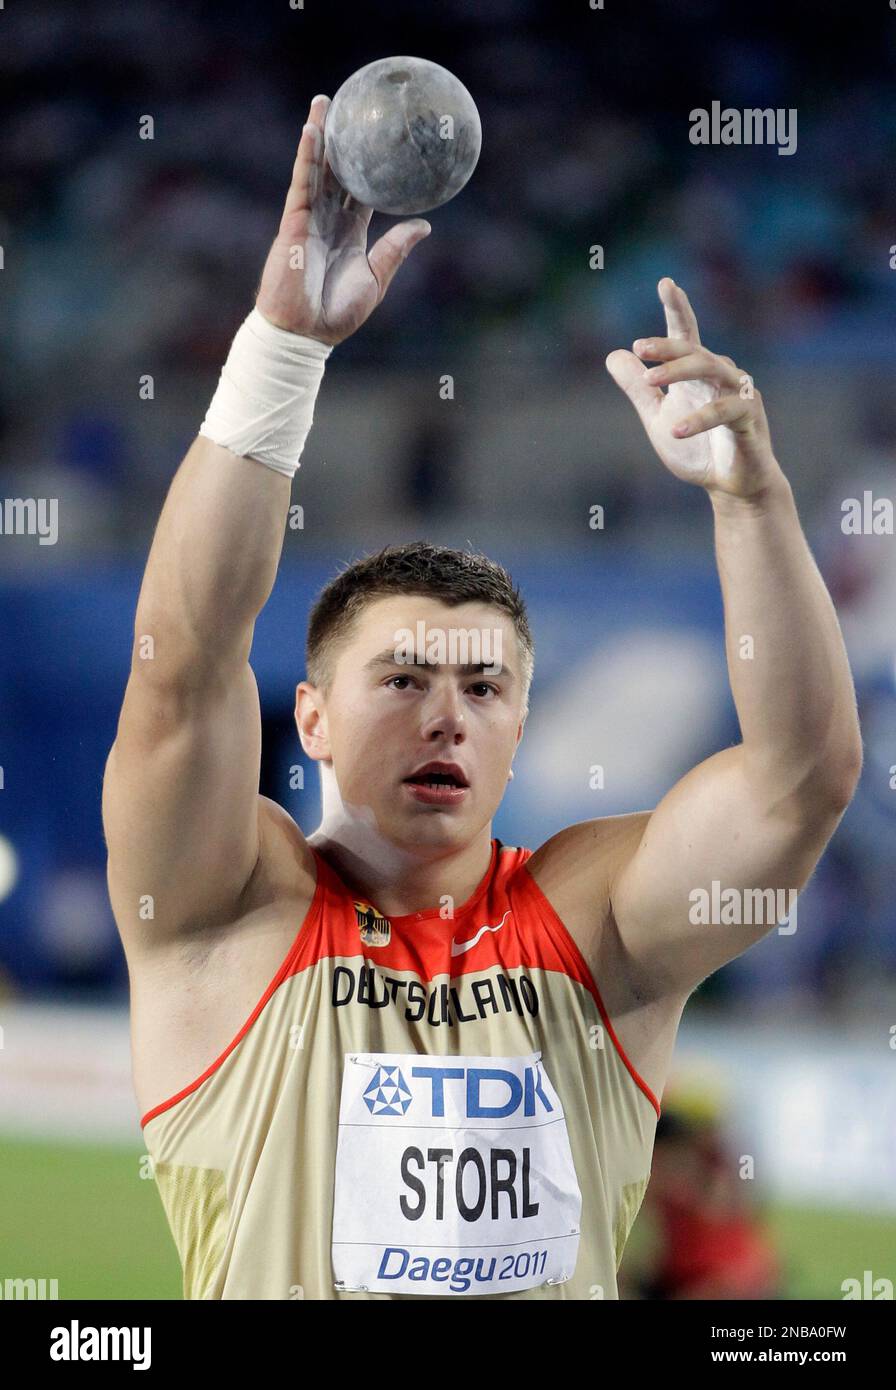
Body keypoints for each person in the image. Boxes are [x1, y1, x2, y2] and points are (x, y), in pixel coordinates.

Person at [101, 94, 863, 1300]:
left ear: (519, 723)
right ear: (308, 720)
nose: (444, 713)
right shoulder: (225, 902)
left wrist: (751, 502)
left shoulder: (598, 918)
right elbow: (183, 663)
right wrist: (280, 350)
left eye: (482, 685)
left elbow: (800, 781)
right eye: (398, 679)